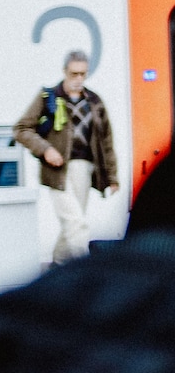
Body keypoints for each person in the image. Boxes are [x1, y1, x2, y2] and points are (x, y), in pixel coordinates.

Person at [13, 51, 119, 262]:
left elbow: (106, 141)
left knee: (72, 224)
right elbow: (22, 129)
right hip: (57, 171)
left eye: (83, 74)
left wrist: (112, 177)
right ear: (65, 72)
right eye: (74, 74)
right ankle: (86, 275)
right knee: (76, 223)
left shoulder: (95, 102)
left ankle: (58, 265)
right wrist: (46, 149)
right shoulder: (48, 97)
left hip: (84, 167)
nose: (78, 79)